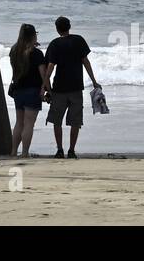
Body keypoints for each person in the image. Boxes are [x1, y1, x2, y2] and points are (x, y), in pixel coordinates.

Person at [43, 16, 101, 159]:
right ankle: (71, 150)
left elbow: (50, 67)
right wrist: (94, 81)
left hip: (59, 89)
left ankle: (59, 150)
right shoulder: (78, 40)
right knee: (75, 121)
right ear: (69, 26)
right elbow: (85, 61)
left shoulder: (55, 44)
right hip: (76, 88)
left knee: (57, 120)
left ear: (57, 29)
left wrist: (45, 85)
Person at [8, 24, 49, 157]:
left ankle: (13, 152)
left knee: (19, 122)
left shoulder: (14, 50)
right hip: (32, 91)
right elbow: (43, 74)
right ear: (33, 35)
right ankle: (25, 153)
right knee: (29, 124)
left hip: (18, 91)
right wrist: (47, 88)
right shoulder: (36, 53)